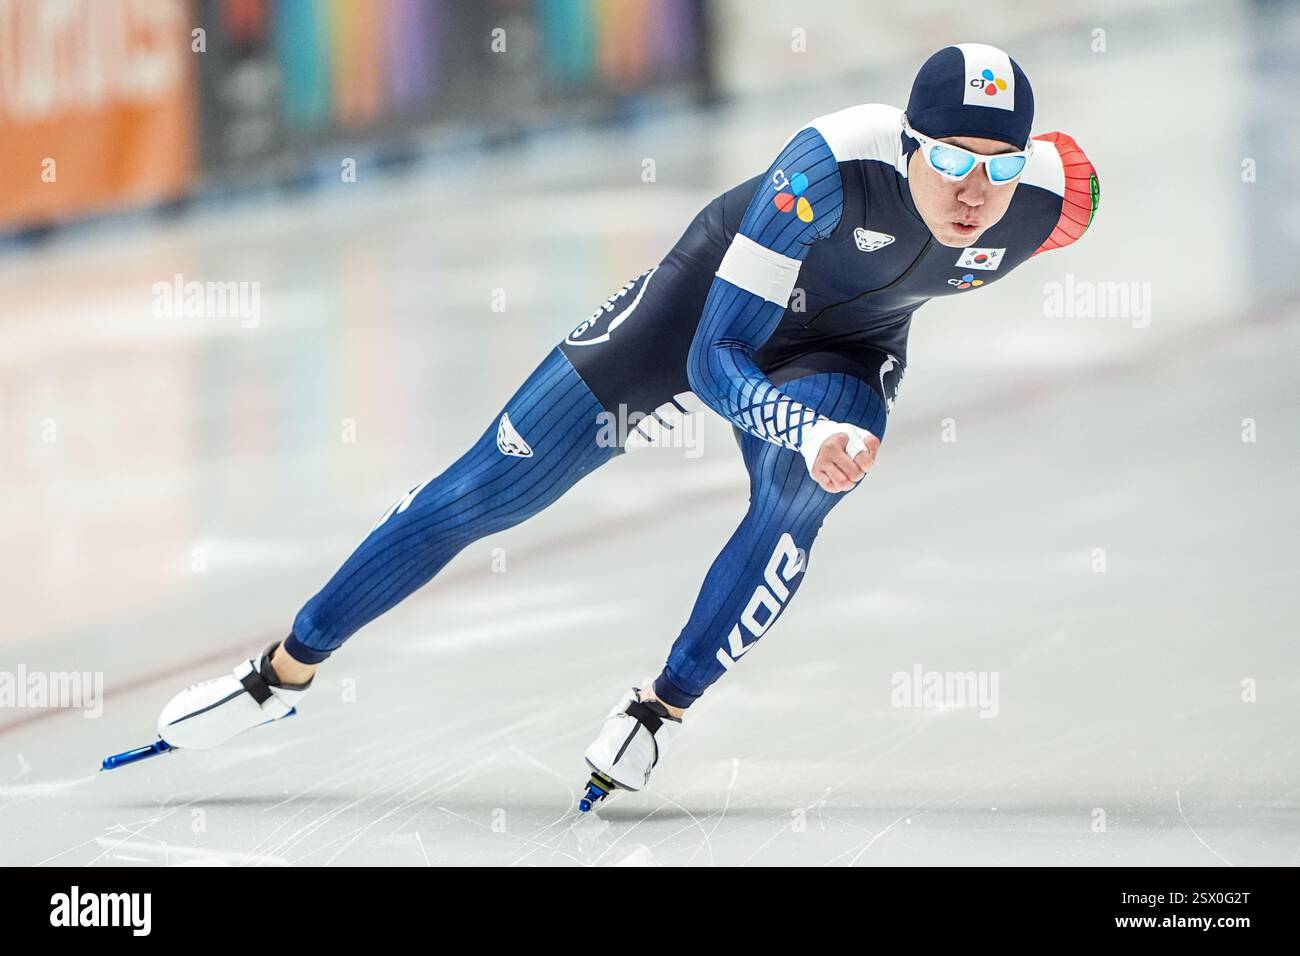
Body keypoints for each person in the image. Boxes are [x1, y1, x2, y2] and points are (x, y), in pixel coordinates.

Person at [150, 43, 1099, 809]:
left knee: (799, 497)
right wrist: (800, 429)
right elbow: (711, 363)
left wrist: (809, 445)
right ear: (906, 144)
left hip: (845, 350)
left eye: (1001, 166)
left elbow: (1067, 171)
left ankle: (662, 706)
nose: (976, 193)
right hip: (704, 312)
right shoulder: (825, 169)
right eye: (951, 161)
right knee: (488, 489)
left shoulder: (1056, 199)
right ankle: (282, 674)